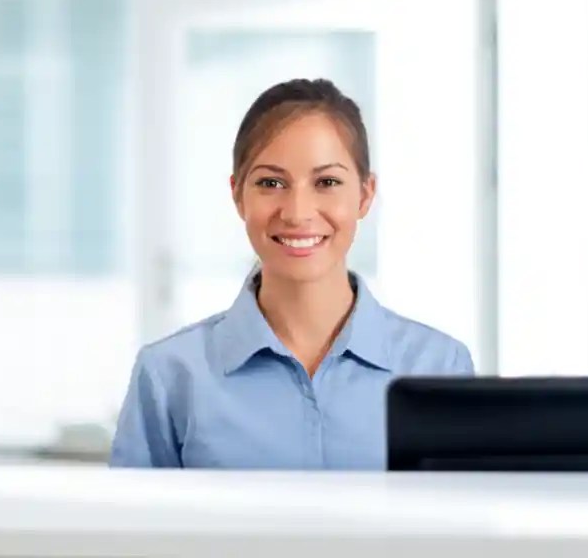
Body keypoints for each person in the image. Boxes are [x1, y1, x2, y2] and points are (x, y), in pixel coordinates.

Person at [110, 78, 473, 469]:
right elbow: (131, 511)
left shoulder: (439, 366)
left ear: (365, 194)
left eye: (327, 182)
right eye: (271, 183)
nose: (298, 213)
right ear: (238, 195)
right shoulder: (169, 376)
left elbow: (465, 507)